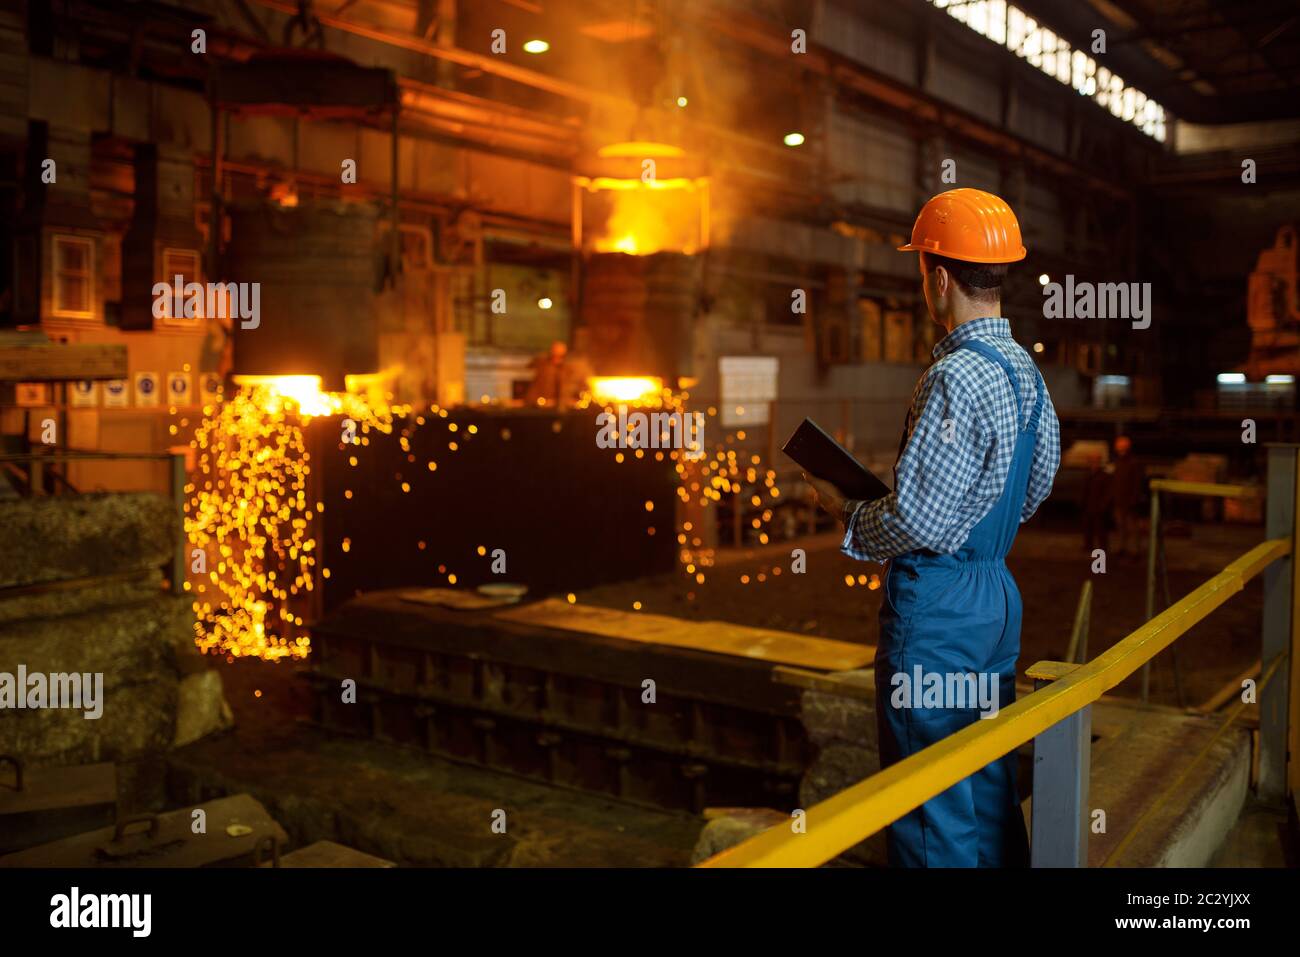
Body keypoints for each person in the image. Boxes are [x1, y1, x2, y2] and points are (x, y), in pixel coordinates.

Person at [804, 188, 1060, 867]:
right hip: (994, 600)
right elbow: (1034, 487)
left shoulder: (953, 376)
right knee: (983, 779)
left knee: (928, 801)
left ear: (939, 277)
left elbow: (920, 516)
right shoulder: (1025, 373)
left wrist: (850, 513)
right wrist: (975, 530)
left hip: (940, 611)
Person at [524, 340, 590, 407]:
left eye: (560, 355)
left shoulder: (569, 369)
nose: (557, 358)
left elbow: (576, 387)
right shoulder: (542, 365)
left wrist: (570, 400)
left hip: (561, 406)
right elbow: (529, 367)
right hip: (541, 405)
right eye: (555, 352)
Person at [1110, 435, 1142, 558]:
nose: (1120, 450)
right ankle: (1122, 548)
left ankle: (1134, 551)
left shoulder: (1133, 463)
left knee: (1132, 527)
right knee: (1121, 526)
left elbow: (1137, 483)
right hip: (1119, 500)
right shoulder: (1118, 462)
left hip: (1129, 501)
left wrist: (1134, 499)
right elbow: (1114, 481)